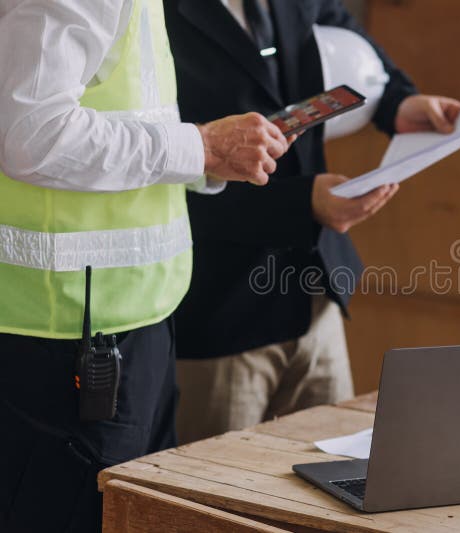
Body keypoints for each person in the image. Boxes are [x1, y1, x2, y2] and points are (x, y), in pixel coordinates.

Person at [0, 0, 291, 530]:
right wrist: (197, 146)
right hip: (68, 329)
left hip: (128, 322)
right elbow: (33, 136)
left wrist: (207, 155)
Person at [164, 0, 460, 443]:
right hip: (217, 313)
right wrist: (302, 203)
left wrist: (397, 101)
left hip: (312, 294)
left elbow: (339, 28)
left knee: (329, 480)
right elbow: (159, 182)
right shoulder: (148, 13)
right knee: (211, 502)